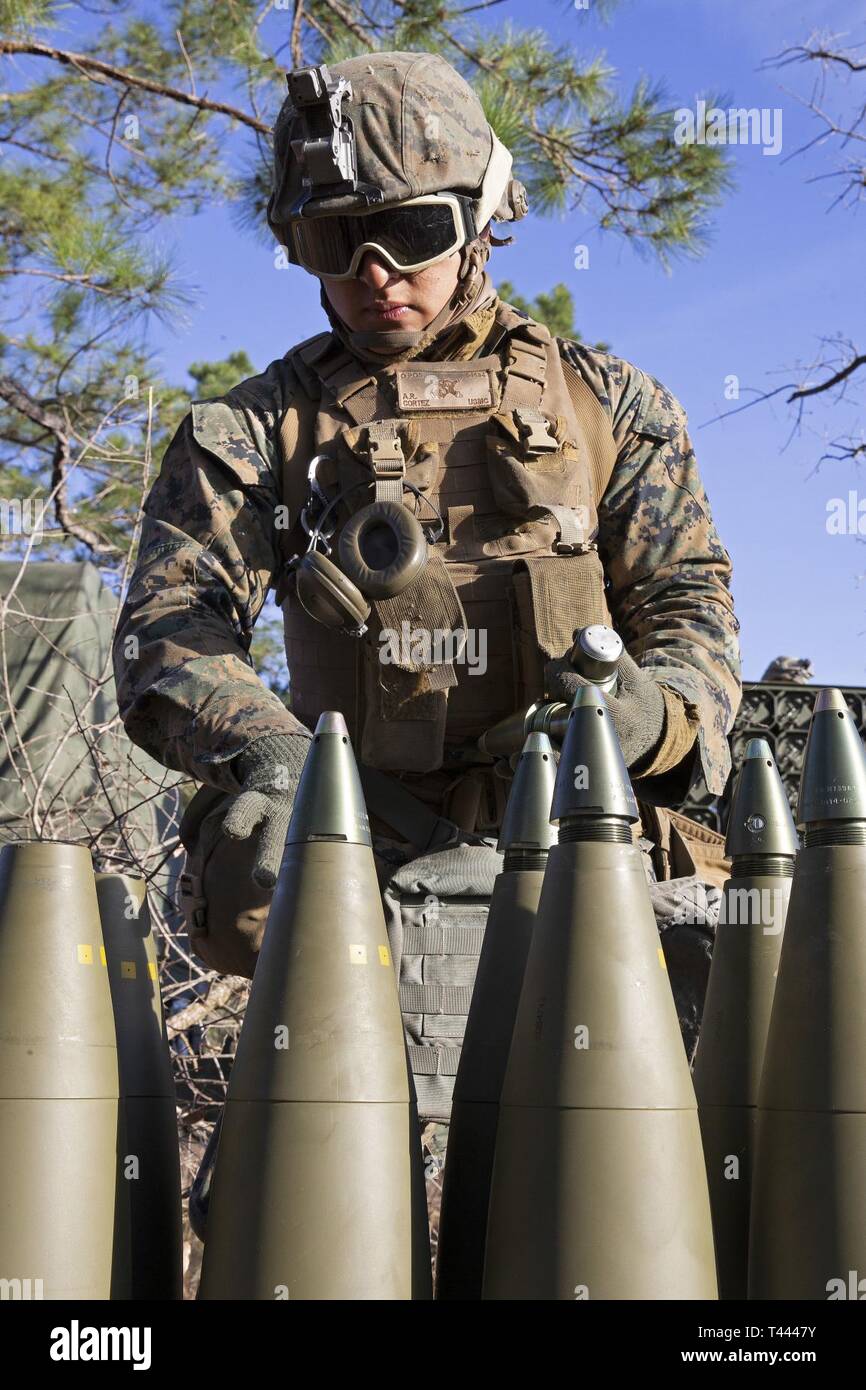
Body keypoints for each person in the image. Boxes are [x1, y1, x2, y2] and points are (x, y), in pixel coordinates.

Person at [114, 50, 742, 1229]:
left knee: (617, 1221)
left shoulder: (611, 407)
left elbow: (694, 622)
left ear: (481, 218)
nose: (373, 274)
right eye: (332, 238)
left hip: (584, 888)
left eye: (407, 228)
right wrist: (266, 751)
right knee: (310, 1222)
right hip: (358, 900)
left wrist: (649, 714)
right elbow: (168, 628)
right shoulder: (253, 430)